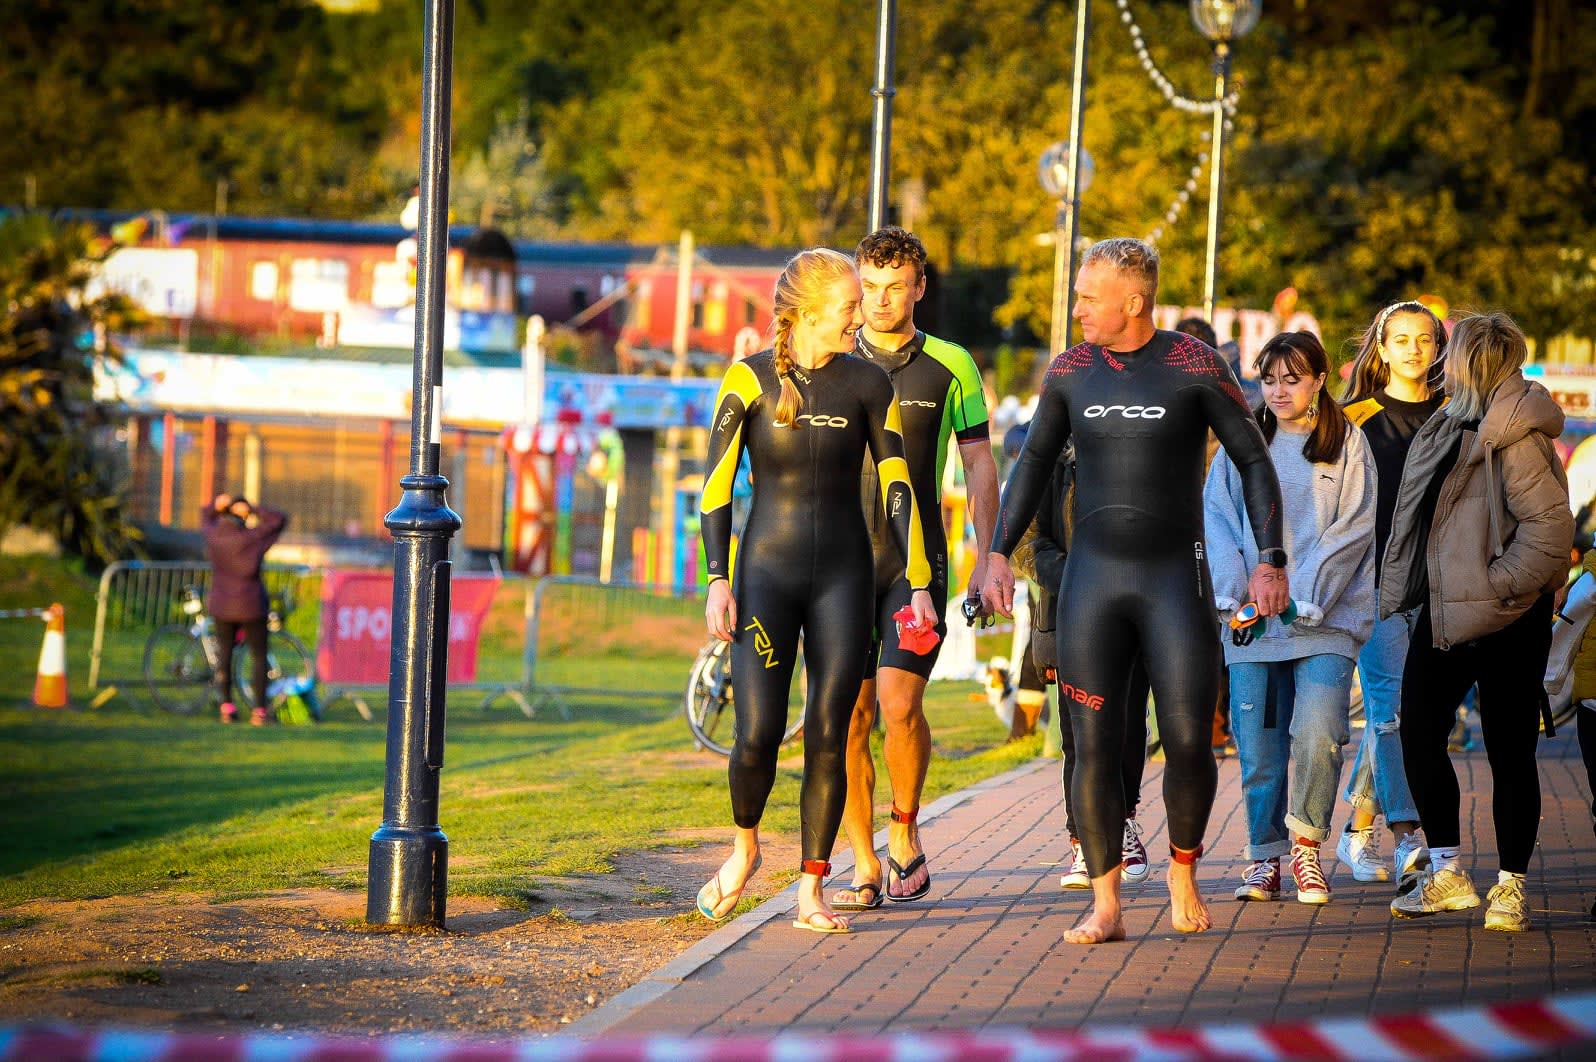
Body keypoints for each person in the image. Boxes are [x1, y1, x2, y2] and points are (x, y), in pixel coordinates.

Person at [984, 237, 1288, 944]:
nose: (1077, 306)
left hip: (1173, 581)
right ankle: (1106, 902)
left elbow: (1253, 461)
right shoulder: (1070, 370)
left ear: (1133, 300)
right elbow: (1029, 465)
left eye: (1089, 295)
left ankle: (1183, 873)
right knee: (1092, 748)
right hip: (1093, 586)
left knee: (1187, 743)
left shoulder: (1193, 365)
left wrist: (1270, 560)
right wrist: (997, 553)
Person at [698, 247, 937, 934]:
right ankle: (744, 850)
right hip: (765, 578)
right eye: (846, 309)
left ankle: (811, 890)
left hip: (844, 580)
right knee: (757, 735)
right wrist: (718, 580)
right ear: (803, 314)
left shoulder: (866, 384)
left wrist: (917, 581)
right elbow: (714, 491)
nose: (858, 319)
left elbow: (898, 485)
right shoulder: (746, 381)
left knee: (832, 735)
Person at [1383, 312, 1573, 931]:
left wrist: (1494, 588)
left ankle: (1510, 890)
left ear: (1474, 360)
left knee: (1509, 751)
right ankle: (1448, 873)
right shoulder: (1454, 420)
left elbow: (1549, 535)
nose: (1438, 360)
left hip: (1506, 617)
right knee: (1419, 734)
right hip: (1446, 612)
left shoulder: (1513, 434)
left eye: (1451, 350)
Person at [830, 227, 998, 911]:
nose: (879, 300)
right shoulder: (833, 358)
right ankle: (863, 859)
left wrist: (991, 558)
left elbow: (981, 463)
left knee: (899, 706)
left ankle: (904, 828)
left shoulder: (952, 366)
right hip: (837, 566)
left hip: (914, 568)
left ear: (919, 288)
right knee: (849, 713)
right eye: (868, 287)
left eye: (894, 286)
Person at [1205, 331, 1376, 905]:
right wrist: (1235, 594)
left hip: (1324, 619)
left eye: (1292, 378)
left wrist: (1302, 594)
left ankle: (1306, 850)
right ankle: (1264, 858)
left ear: (1320, 380)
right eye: (1268, 379)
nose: (1278, 390)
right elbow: (1219, 520)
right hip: (1253, 622)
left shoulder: (1348, 444)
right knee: (1258, 745)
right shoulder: (1242, 442)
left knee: (1321, 733)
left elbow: (1353, 529)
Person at [1336, 300, 1448, 890]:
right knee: (1391, 709)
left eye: (1423, 339)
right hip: (1372, 582)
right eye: (1400, 339)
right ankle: (1409, 838)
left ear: (1438, 348)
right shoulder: (1353, 417)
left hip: (1438, 585)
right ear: (1380, 349)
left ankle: (1357, 831)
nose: (1412, 349)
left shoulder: (1456, 416)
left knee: (1403, 714)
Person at [201, 493, 288, 725]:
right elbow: (279, 519)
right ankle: (259, 711)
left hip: (222, 605)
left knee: (225, 656)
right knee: (259, 657)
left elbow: (204, 518)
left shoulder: (214, 535)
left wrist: (217, 506)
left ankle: (226, 707)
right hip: (251, 605)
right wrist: (251, 509)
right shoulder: (252, 538)